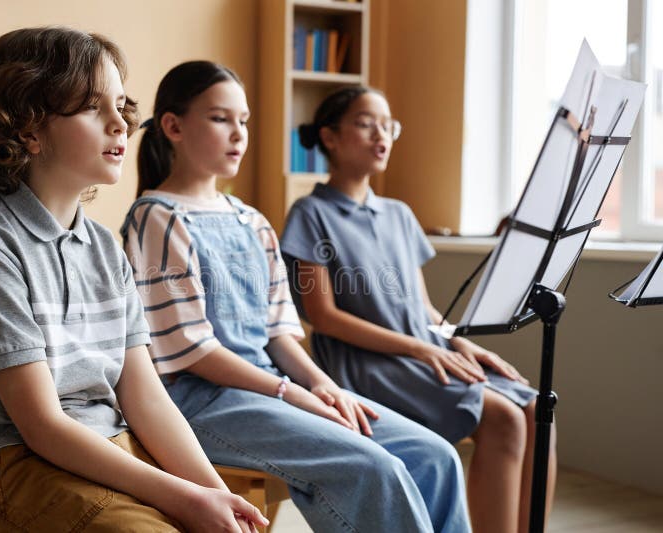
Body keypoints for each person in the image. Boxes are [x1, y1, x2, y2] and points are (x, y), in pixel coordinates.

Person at [0, 27, 268, 533]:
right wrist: (186, 501)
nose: (120, 124)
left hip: (103, 438)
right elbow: (40, 425)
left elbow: (145, 395)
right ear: (28, 130)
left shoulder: (105, 247)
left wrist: (212, 493)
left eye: (121, 106)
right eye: (90, 108)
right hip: (4, 460)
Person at [121, 60, 472, 533]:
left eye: (243, 121)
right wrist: (291, 393)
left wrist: (319, 384)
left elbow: (280, 334)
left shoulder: (253, 221)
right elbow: (194, 352)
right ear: (173, 126)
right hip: (204, 402)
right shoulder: (156, 218)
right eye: (220, 118)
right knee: (376, 470)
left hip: (270, 387)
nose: (238, 134)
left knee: (435, 456)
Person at [279, 85, 557, 533]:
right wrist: (422, 350)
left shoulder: (400, 214)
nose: (381, 135)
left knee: (536, 410)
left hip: (420, 352)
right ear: (330, 137)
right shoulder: (309, 214)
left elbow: (422, 305)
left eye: (388, 126)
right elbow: (323, 316)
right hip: (366, 366)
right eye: (367, 123)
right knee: (503, 416)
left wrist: (461, 343)